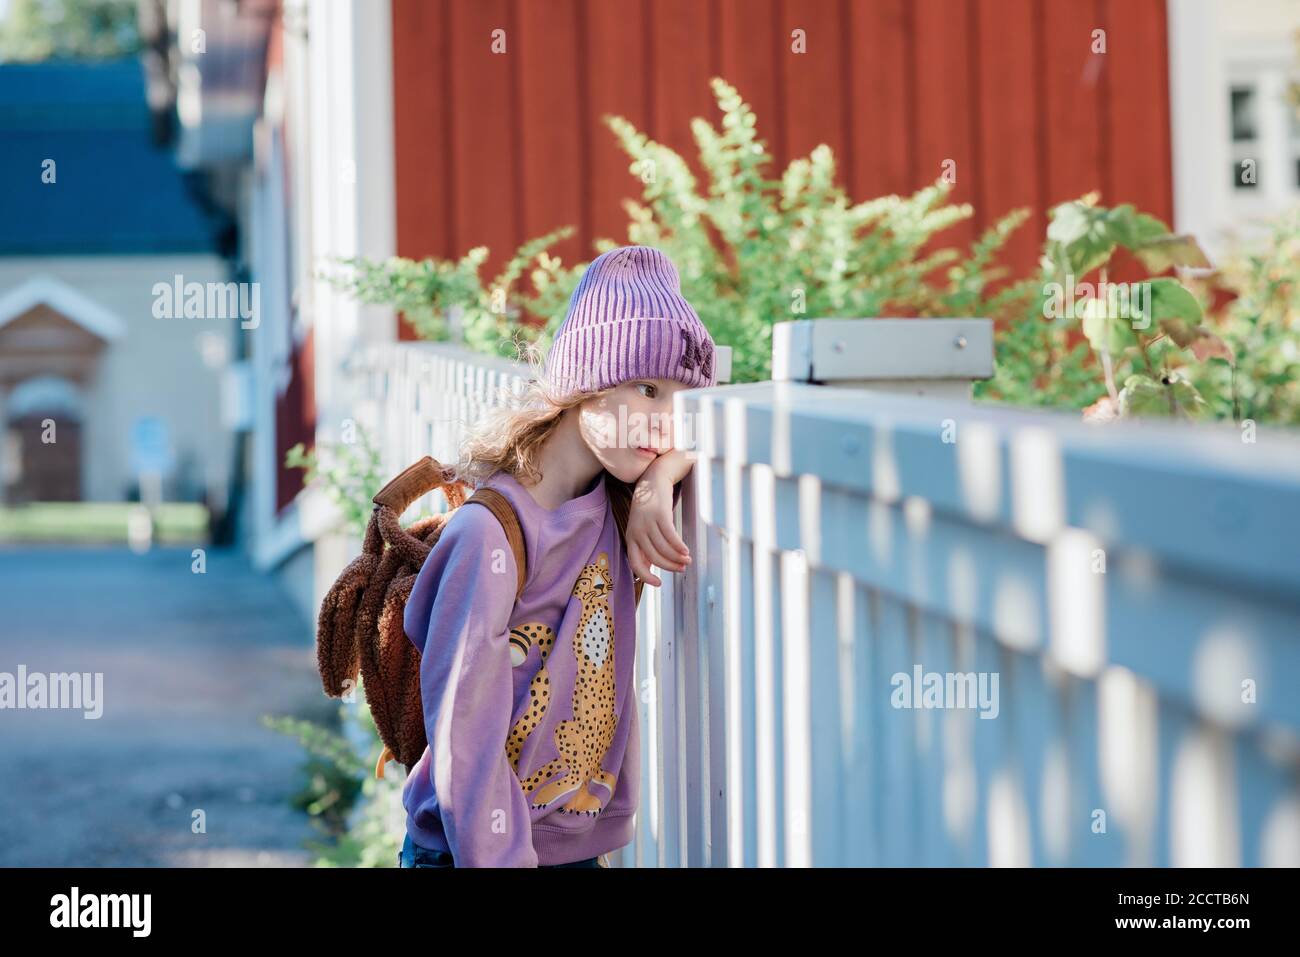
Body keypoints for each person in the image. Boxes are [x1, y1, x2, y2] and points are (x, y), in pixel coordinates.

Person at [398, 245, 718, 868]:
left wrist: (663, 478)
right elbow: (465, 741)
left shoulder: (617, 508)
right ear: (582, 386)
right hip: (475, 853)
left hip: (570, 850)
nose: (664, 421)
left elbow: (731, 436)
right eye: (646, 389)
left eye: (680, 401)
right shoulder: (488, 538)